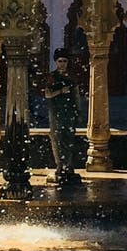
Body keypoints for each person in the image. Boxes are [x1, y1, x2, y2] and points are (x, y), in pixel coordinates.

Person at [44, 47, 82, 185]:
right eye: (60, 61)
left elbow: (76, 94)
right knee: (56, 137)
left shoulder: (72, 76)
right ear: (56, 62)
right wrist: (60, 91)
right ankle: (59, 164)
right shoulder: (52, 76)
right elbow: (47, 94)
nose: (62, 64)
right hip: (56, 111)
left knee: (69, 137)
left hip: (69, 111)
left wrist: (78, 111)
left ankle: (69, 164)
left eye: (65, 61)